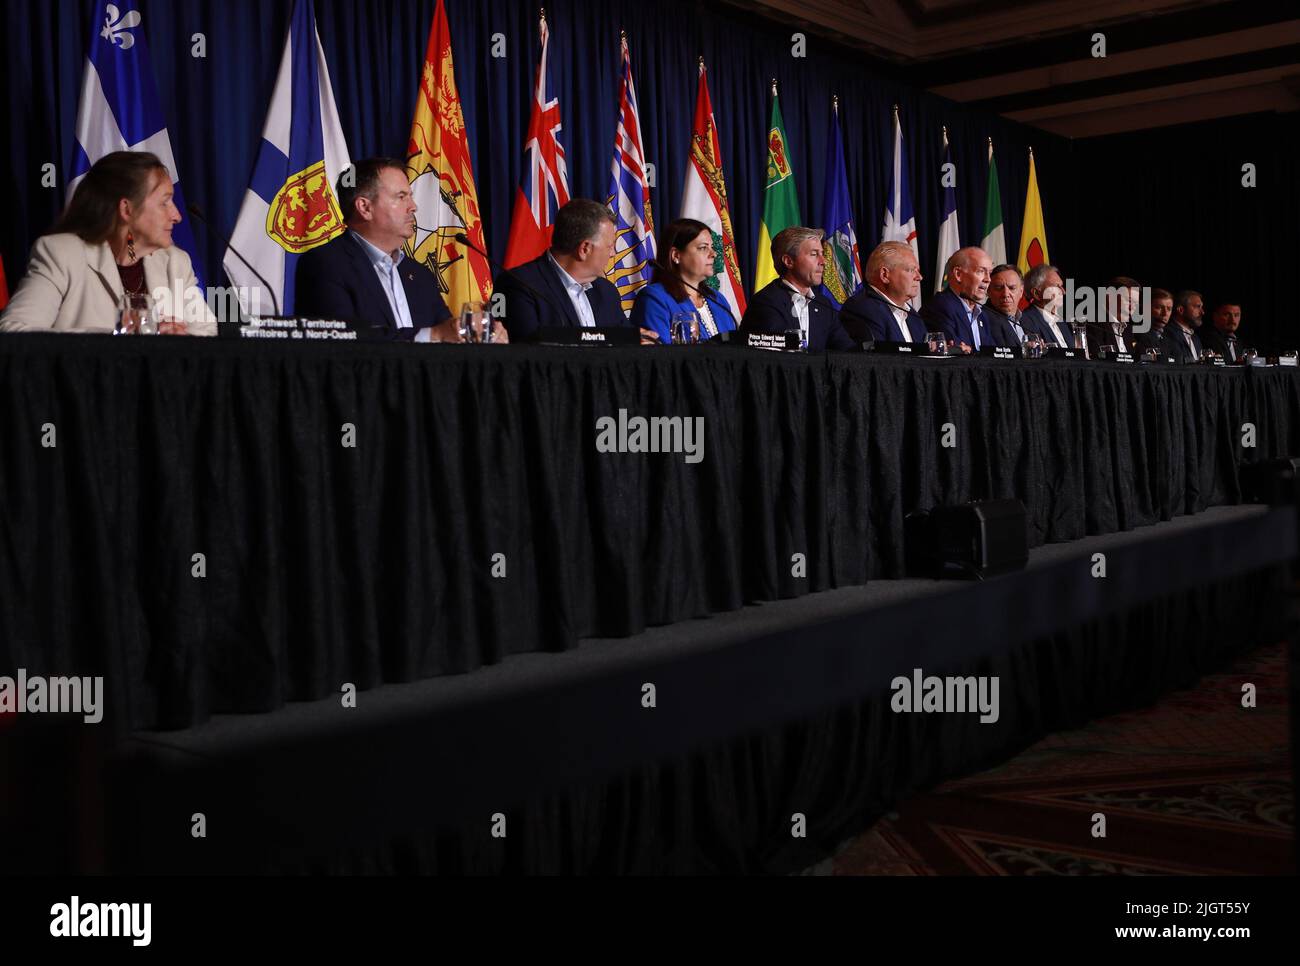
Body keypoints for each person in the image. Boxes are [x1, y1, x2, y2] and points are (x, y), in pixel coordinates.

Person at [0, 151, 215, 334]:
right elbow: (14, 330)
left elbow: (207, 332)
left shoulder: (176, 262)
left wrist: (179, 340)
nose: (177, 216)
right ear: (127, 210)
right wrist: (116, 338)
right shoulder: (61, 255)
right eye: (165, 202)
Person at [294, 157, 480, 342]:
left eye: (410, 196)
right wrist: (432, 335)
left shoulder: (419, 275)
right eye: (401, 197)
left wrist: (469, 331)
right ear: (365, 208)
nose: (413, 207)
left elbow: (446, 332)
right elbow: (343, 338)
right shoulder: (325, 265)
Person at [496, 198, 647, 342]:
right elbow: (527, 348)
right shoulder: (520, 285)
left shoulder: (607, 292)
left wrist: (637, 340)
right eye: (610, 246)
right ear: (585, 249)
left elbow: (624, 342)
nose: (613, 253)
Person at [739, 226, 855, 350]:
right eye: (814, 254)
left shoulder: (823, 305)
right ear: (789, 261)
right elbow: (772, 357)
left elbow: (846, 351)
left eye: (822, 254)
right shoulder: (766, 303)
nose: (823, 261)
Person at [629, 218, 737, 343]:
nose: (713, 254)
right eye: (703, 248)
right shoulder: (654, 299)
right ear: (676, 255)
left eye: (711, 247)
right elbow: (658, 351)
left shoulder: (718, 300)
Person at [920, 246, 1017, 349]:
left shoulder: (982, 315)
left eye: (989, 273)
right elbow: (956, 351)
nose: (988, 279)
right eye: (981, 271)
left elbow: (990, 352)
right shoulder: (939, 308)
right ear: (958, 274)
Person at [839, 241, 926, 344]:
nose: (919, 277)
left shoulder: (913, 316)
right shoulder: (863, 309)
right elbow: (880, 353)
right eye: (911, 270)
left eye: (917, 270)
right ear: (884, 275)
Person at [1020, 263, 1072, 349]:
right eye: (1056, 287)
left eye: (1061, 286)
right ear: (1036, 293)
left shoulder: (1062, 322)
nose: (1063, 292)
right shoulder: (1027, 322)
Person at [1087, 276, 1139, 356]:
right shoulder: (1092, 323)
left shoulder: (1128, 330)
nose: (1131, 308)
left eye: (1135, 304)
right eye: (1129, 301)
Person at [983, 264, 1028, 345]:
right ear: (988, 291)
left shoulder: (1027, 320)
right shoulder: (983, 319)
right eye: (998, 288)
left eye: (1012, 288)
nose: (1005, 294)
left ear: (1021, 291)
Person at [1166, 289, 1205, 363]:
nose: (1202, 312)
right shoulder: (1167, 334)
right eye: (1198, 306)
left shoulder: (1196, 338)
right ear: (1181, 310)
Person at [1133, 287, 1173, 354]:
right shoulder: (1137, 333)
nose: (1165, 314)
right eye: (1159, 308)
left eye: (1169, 309)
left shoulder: (1171, 336)